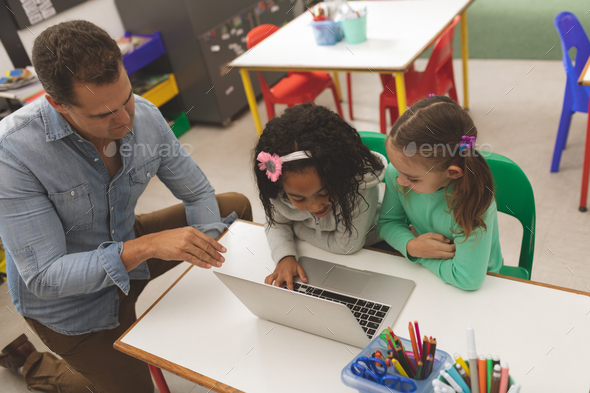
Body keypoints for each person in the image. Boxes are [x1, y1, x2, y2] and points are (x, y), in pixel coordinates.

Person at [0, 20, 252, 393]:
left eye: (127, 99)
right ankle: (31, 363)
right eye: (103, 114)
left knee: (234, 207)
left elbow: (198, 194)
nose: (125, 120)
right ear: (57, 104)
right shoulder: (12, 153)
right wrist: (148, 246)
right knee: (135, 389)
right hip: (72, 306)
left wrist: (205, 258)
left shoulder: (143, 115)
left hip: (124, 244)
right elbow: (45, 277)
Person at [254, 103, 387, 290]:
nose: (316, 206)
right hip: (321, 258)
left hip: (375, 250)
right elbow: (275, 222)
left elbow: (347, 246)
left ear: (339, 174)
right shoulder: (277, 186)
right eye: (299, 199)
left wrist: (296, 228)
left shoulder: (360, 187)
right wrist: (285, 256)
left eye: (324, 192)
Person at [377, 95, 503, 291]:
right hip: (432, 278)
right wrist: (411, 246)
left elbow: (468, 278)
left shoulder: (473, 200)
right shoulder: (399, 174)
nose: (400, 181)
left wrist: (418, 254)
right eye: (396, 168)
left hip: (485, 283)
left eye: (413, 178)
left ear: (452, 173)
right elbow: (387, 222)